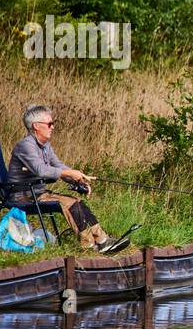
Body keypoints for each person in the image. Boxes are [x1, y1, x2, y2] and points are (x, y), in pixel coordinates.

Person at [8, 104, 125, 252]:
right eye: (50, 124)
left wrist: (78, 179)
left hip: (37, 194)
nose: (53, 127)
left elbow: (59, 166)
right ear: (36, 126)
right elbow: (41, 170)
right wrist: (69, 173)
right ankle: (88, 245)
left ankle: (102, 240)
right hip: (23, 197)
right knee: (70, 203)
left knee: (78, 202)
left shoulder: (45, 146)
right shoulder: (25, 146)